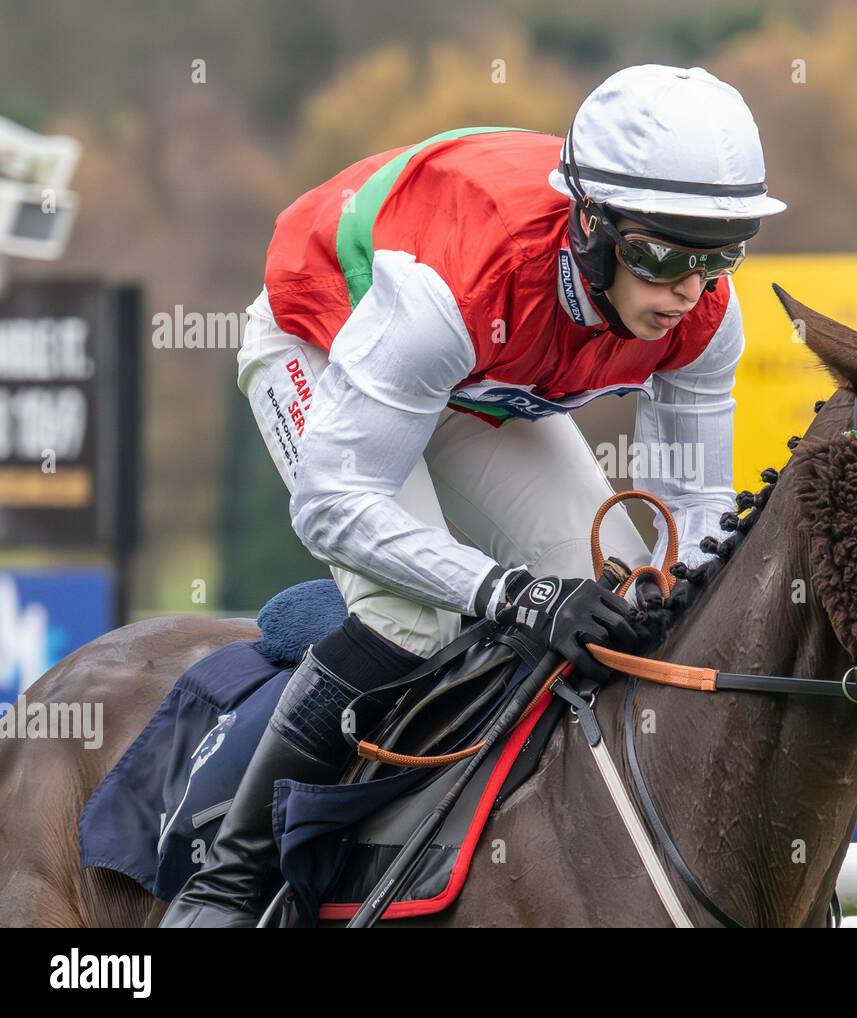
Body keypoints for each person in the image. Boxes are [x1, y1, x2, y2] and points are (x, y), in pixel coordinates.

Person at [162, 64, 786, 926]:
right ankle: (226, 882)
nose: (690, 288)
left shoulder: (706, 313)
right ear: (592, 228)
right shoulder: (451, 287)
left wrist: (660, 596)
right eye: (665, 254)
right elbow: (334, 505)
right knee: (412, 620)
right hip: (332, 336)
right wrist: (514, 592)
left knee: (624, 596)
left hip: (481, 379)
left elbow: (695, 514)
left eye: (718, 255)